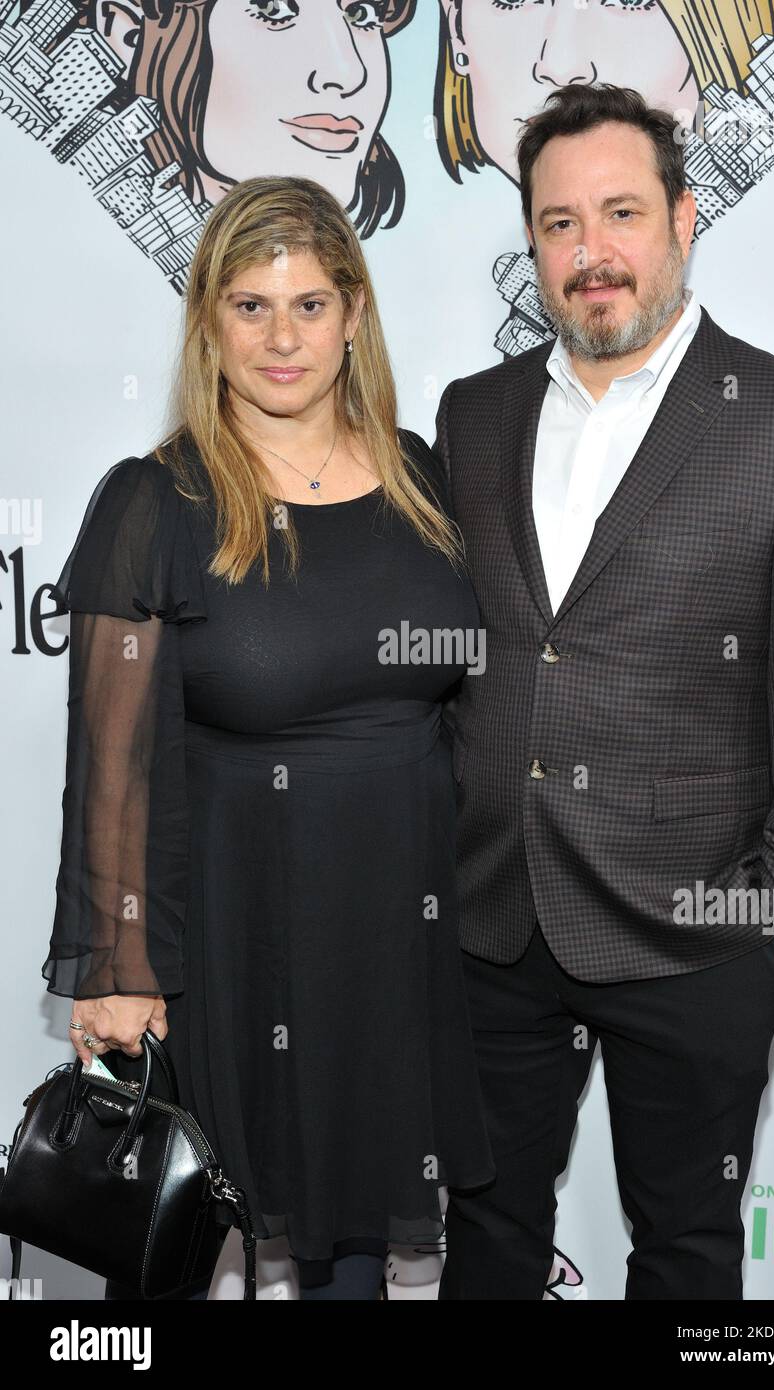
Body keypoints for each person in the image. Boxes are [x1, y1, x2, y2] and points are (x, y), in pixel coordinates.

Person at [433, 82, 774, 1299]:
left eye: (620, 212)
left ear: (684, 216)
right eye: (560, 223)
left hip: (699, 941)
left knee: (682, 1257)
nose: (591, 251)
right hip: (492, 922)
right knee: (487, 1245)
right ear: (532, 243)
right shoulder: (473, 416)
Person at [43, 173, 494, 1301]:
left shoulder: (419, 475)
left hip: (398, 942)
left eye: (307, 305)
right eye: (250, 306)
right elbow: (108, 768)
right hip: (243, 943)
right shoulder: (155, 500)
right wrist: (113, 970)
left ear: (352, 313)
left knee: (357, 1256)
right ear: (208, 320)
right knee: (212, 1251)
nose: (281, 337)